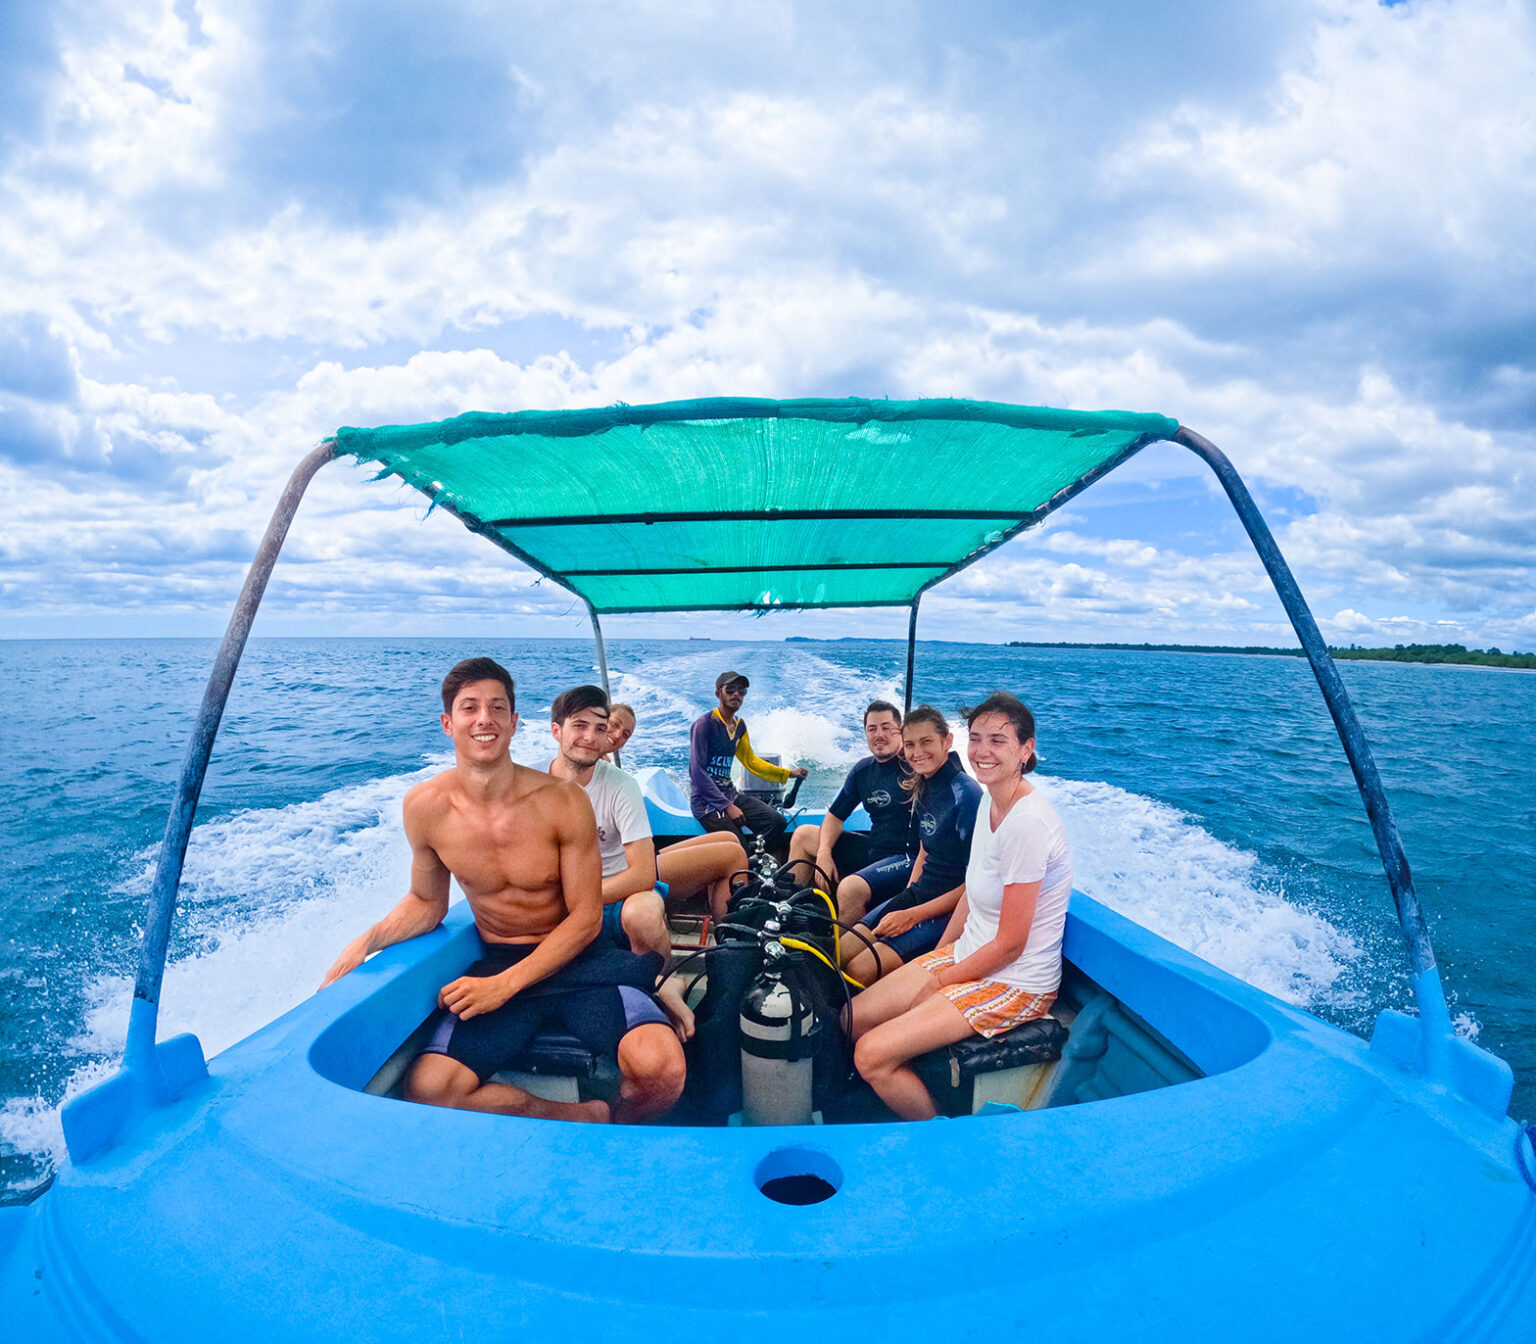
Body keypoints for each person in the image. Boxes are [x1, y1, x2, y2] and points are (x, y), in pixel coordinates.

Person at [319, 658, 685, 1124]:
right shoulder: (424, 808)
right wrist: (366, 943)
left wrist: (504, 987)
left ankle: (618, 1133)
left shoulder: (562, 801)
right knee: (429, 1089)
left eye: (497, 707)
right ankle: (581, 1117)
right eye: (469, 708)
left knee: (664, 1070)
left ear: (514, 722)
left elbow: (586, 917)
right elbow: (426, 904)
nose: (484, 719)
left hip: (581, 960)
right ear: (448, 724)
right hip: (501, 959)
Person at [848, 692, 1071, 1121]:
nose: (983, 752)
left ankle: (944, 1140)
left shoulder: (1027, 824)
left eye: (998, 741)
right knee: (850, 1018)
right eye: (977, 738)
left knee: (870, 1054)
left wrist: (942, 981)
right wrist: (939, 954)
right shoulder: (992, 799)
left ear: (1026, 749)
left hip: (1015, 981)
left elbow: (1009, 945)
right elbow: (972, 888)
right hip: (968, 953)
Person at [544, 684, 693, 1039]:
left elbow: (642, 872)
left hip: (618, 894)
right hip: (560, 903)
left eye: (599, 728)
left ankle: (665, 981)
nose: (590, 737)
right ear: (556, 730)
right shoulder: (529, 784)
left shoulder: (621, 785)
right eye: (579, 726)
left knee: (641, 915)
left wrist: (582, 900)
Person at [841, 706, 981, 985]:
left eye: (926, 742)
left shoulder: (966, 795)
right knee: (840, 952)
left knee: (859, 969)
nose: (917, 752)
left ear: (948, 741)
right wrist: (904, 899)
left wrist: (911, 915)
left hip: (947, 911)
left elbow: (974, 884)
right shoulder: (924, 783)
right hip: (919, 895)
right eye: (910, 745)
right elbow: (925, 851)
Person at [785, 700, 913, 905]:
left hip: (904, 859)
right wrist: (824, 852)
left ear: (901, 731)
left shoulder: (916, 766)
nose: (879, 734)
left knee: (849, 888)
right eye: (872, 729)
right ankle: (790, 909)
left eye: (886, 727)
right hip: (872, 851)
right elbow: (835, 817)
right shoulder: (863, 771)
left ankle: (845, 935)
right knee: (803, 835)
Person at [688, 670, 807, 846]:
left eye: (741, 691)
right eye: (730, 690)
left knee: (776, 822)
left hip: (730, 794)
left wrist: (789, 774)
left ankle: (751, 861)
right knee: (738, 843)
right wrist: (726, 806)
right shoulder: (704, 724)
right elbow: (697, 773)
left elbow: (751, 762)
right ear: (718, 693)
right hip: (706, 804)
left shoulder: (739, 725)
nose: (736, 694)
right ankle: (745, 861)